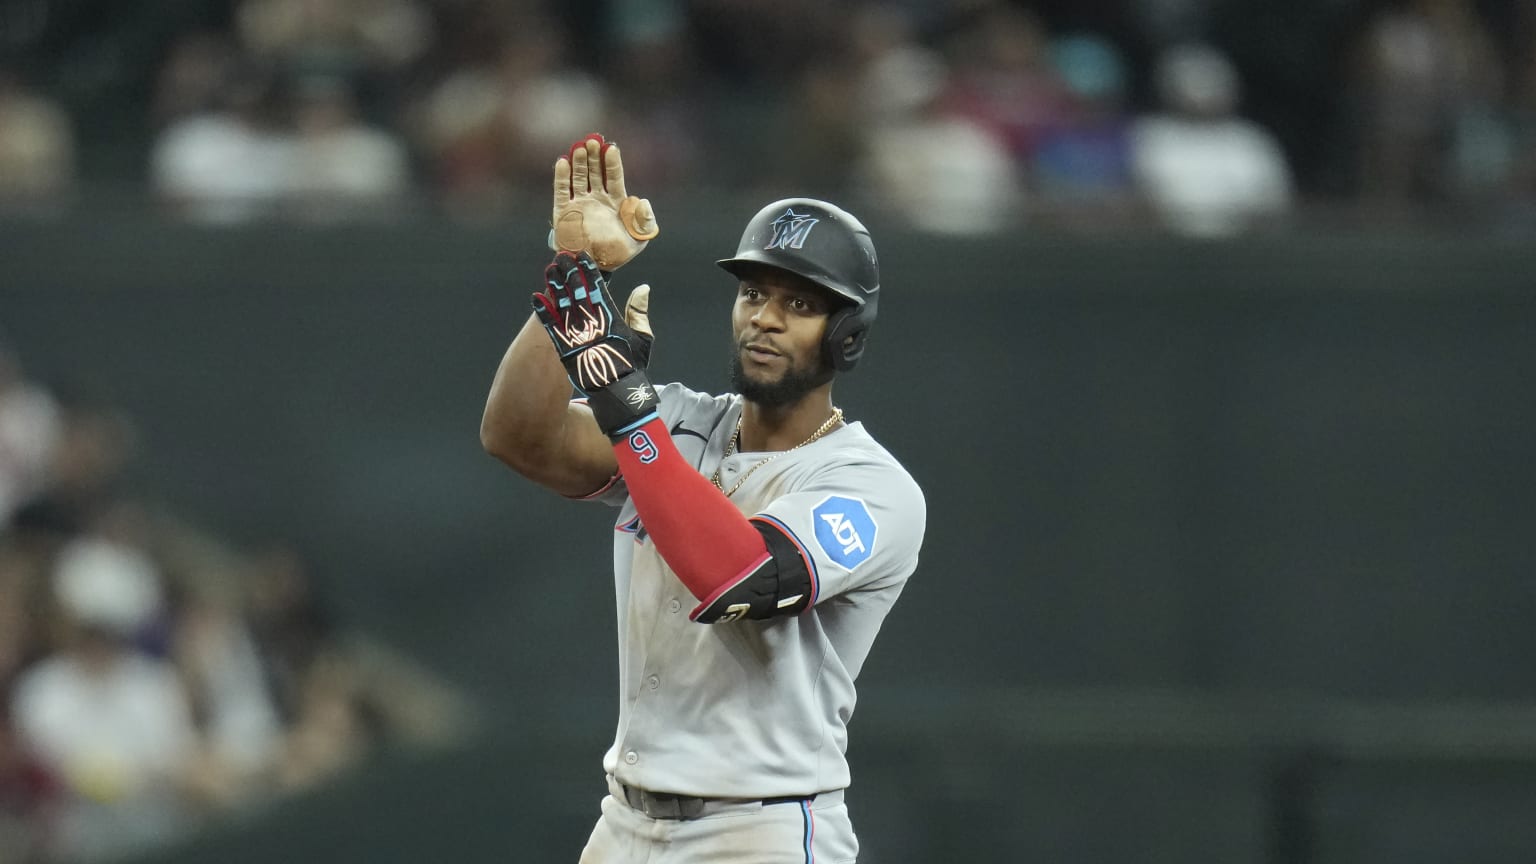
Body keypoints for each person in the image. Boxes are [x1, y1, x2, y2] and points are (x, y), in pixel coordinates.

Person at [480, 135, 926, 862]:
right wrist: (575, 279)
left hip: (760, 829)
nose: (766, 318)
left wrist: (626, 409)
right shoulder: (680, 420)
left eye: (801, 303)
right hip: (624, 820)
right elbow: (517, 437)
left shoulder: (871, 486)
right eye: (754, 293)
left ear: (847, 335)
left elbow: (740, 578)